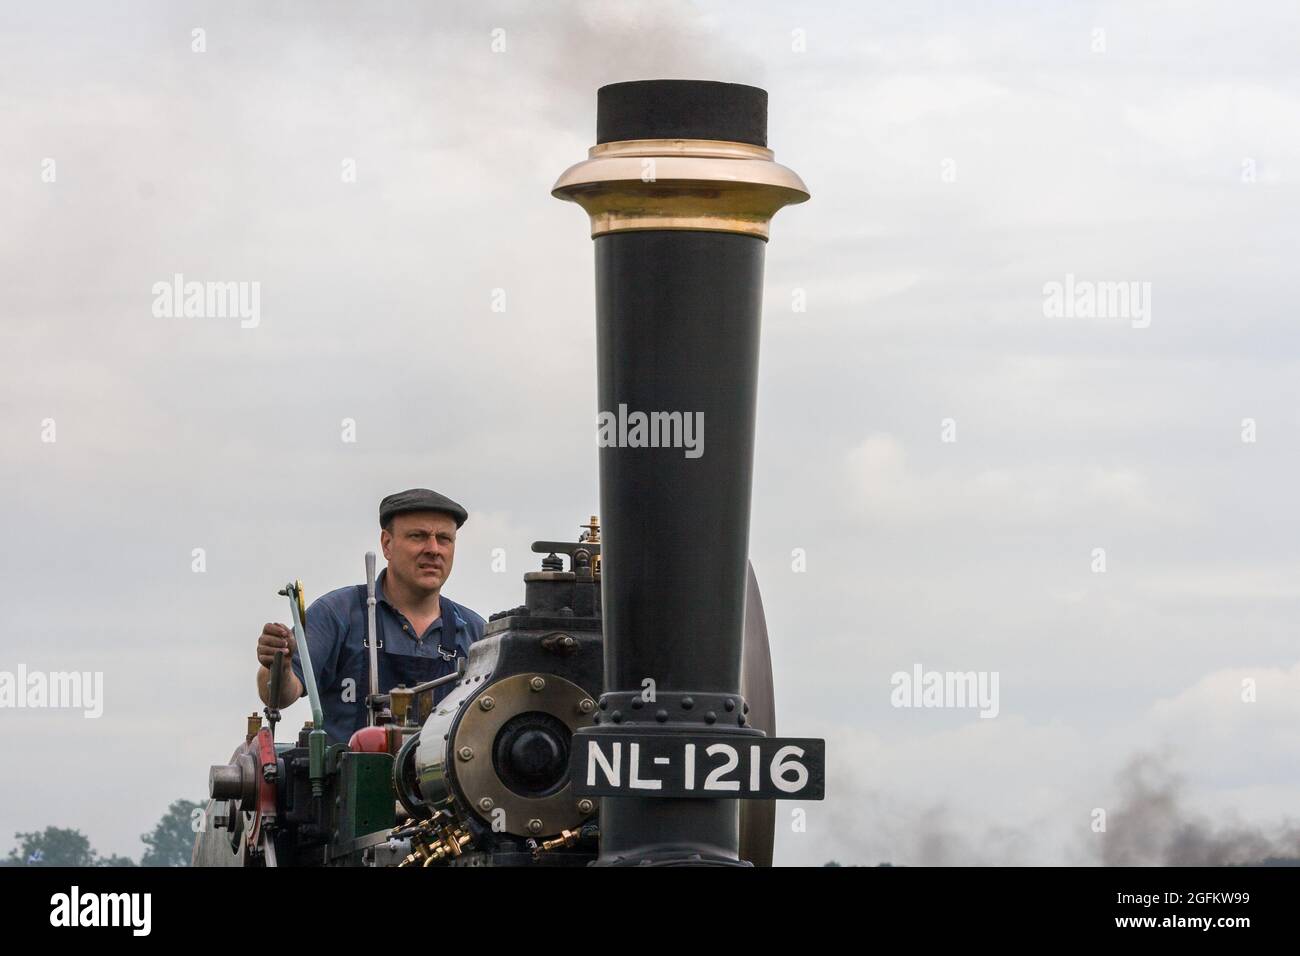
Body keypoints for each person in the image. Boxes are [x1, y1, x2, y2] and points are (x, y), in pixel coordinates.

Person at [254, 488, 487, 743]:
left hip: (441, 783)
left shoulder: (476, 634)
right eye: (418, 536)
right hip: (349, 782)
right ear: (387, 544)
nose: (433, 549)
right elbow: (279, 695)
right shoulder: (338, 614)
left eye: (444, 539)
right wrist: (279, 665)